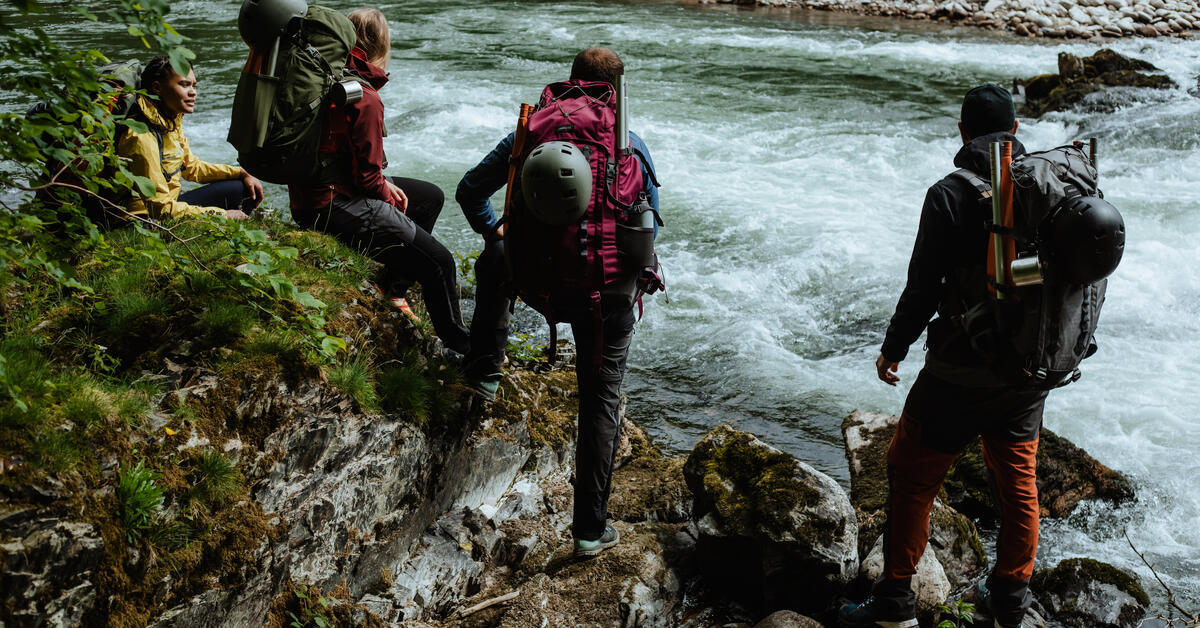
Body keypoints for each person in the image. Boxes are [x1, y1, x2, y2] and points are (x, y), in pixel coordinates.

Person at [839, 85, 1043, 628]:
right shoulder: (1051, 186)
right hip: (1031, 367)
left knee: (911, 475)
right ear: (1017, 131)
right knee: (1019, 482)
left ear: (962, 132)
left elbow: (923, 286)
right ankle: (1010, 603)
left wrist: (893, 348)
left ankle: (895, 605)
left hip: (960, 368)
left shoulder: (950, 192)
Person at [455, 47, 661, 558]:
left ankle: (484, 371)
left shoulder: (530, 134)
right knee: (599, 401)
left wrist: (497, 231)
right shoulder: (630, 147)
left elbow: (468, 190)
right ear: (616, 93)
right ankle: (590, 531)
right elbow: (647, 228)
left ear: (569, 84)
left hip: (534, 282)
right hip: (603, 296)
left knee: (495, 257)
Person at [288, 8, 469, 354]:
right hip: (334, 206)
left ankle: (394, 288)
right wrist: (384, 187)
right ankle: (463, 349)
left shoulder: (324, 78)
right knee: (440, 264)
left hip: (310, 197)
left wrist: (383, 184)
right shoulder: (363, 96)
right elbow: (369, 180)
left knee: (429, 196)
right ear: (380, 46)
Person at [119, 56, 263, 221]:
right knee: (239, 195)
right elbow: (159, 207)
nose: (193, 92)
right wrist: (222, 216)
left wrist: (241, 173)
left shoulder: (170, 120)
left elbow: (191, 167)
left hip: (168, 203)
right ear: (157, 88)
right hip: (144, 218)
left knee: (242, 187)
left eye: (194, 85)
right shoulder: (141, 136)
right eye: (184, 84)